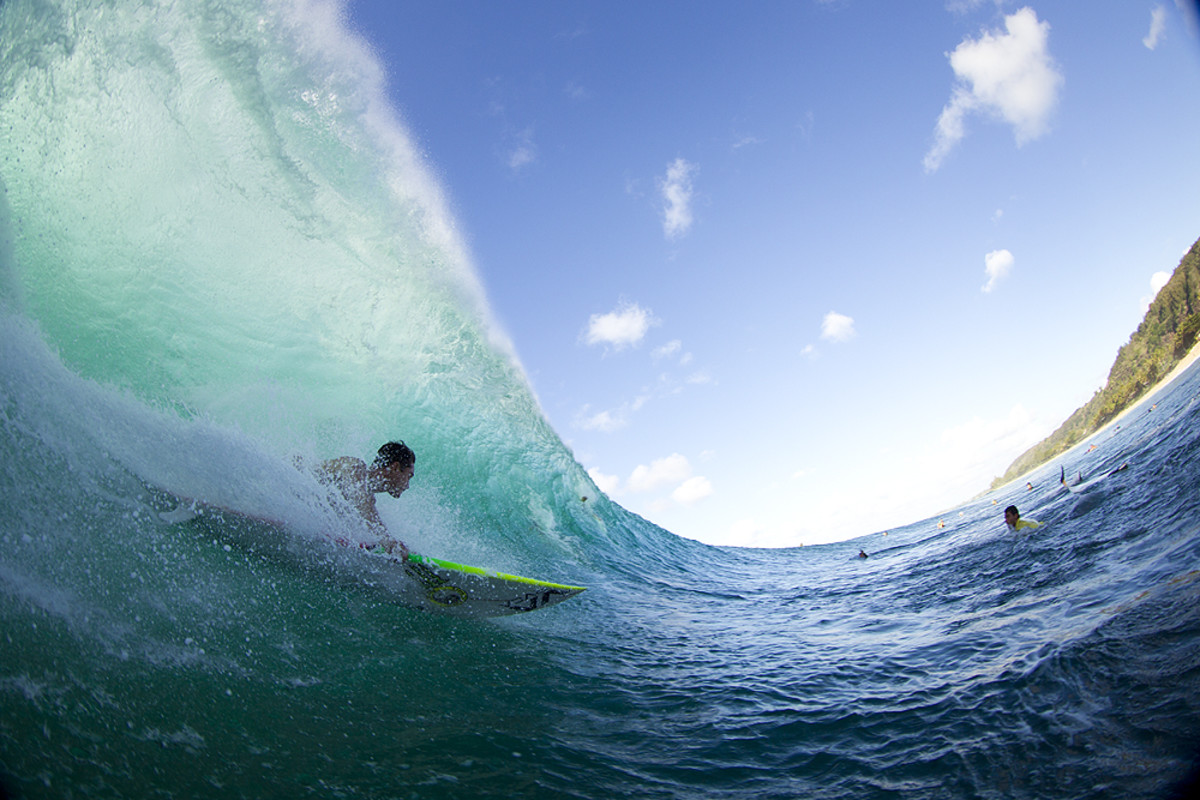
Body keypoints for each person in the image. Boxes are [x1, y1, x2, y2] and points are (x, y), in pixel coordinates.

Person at [316, 441, 415, 557]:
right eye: (409, 476)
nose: (407, 485)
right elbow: (362, 502)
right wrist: (388, 541)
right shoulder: (354, 467)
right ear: (395, 467)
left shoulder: (368, 495)